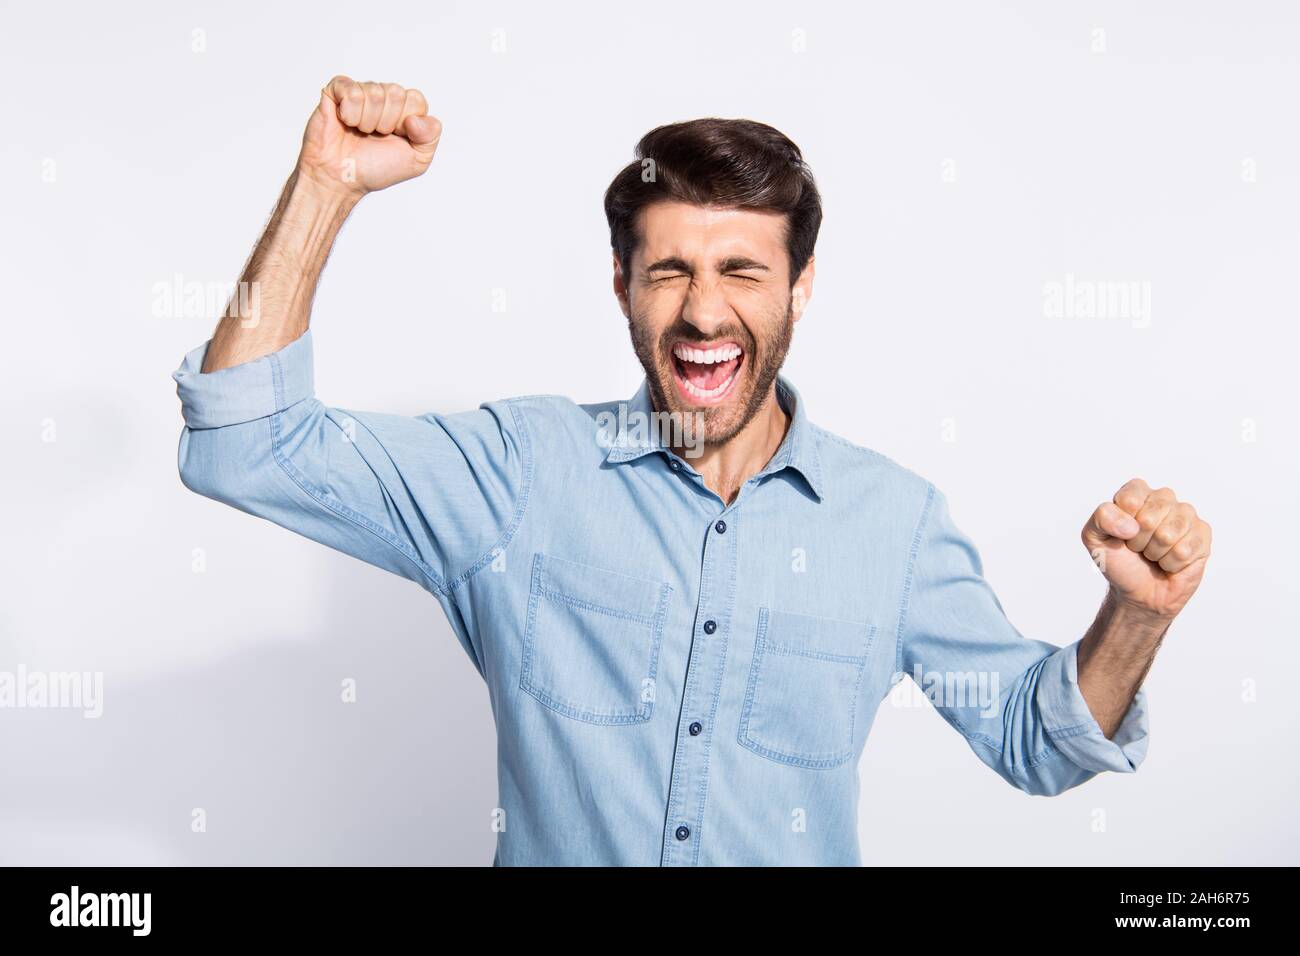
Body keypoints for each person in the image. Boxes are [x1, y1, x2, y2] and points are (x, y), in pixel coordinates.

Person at [172, 76, 1212, 866]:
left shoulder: (893, 524)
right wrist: (323, 187)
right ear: (620, 283)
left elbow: (1039, 740)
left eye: (742, 271)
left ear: (799, 288)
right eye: (670, 270)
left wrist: (1139, 615)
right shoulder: (519, 472)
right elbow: (245, 445)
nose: (705, 312)